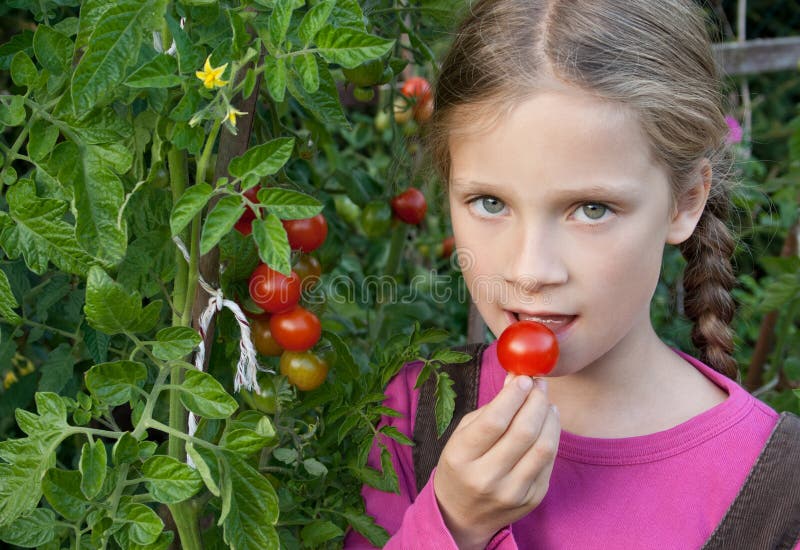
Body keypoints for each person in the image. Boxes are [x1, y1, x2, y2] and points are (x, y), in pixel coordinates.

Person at [345, 0, 799, 548]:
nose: (530, 271)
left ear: (685, 203)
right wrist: (453, 523)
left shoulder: (779, 494)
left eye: (591, 209)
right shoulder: (414, 412)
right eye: (489, 202)